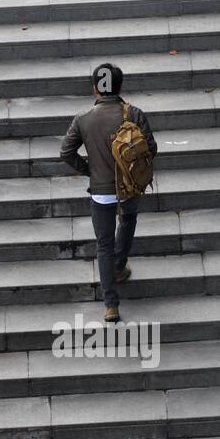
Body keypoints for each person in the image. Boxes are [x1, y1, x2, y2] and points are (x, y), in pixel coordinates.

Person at [59, 63, 157, 322]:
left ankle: (111, 305)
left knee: (103, 244)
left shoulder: (83, 119)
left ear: (95, 88)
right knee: (127, 220)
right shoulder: (133, 113)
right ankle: (120, 264)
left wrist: (89, 169)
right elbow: (151, 148)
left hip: (100, 190)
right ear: (120, 86)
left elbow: (65, 152)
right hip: (129, 187)